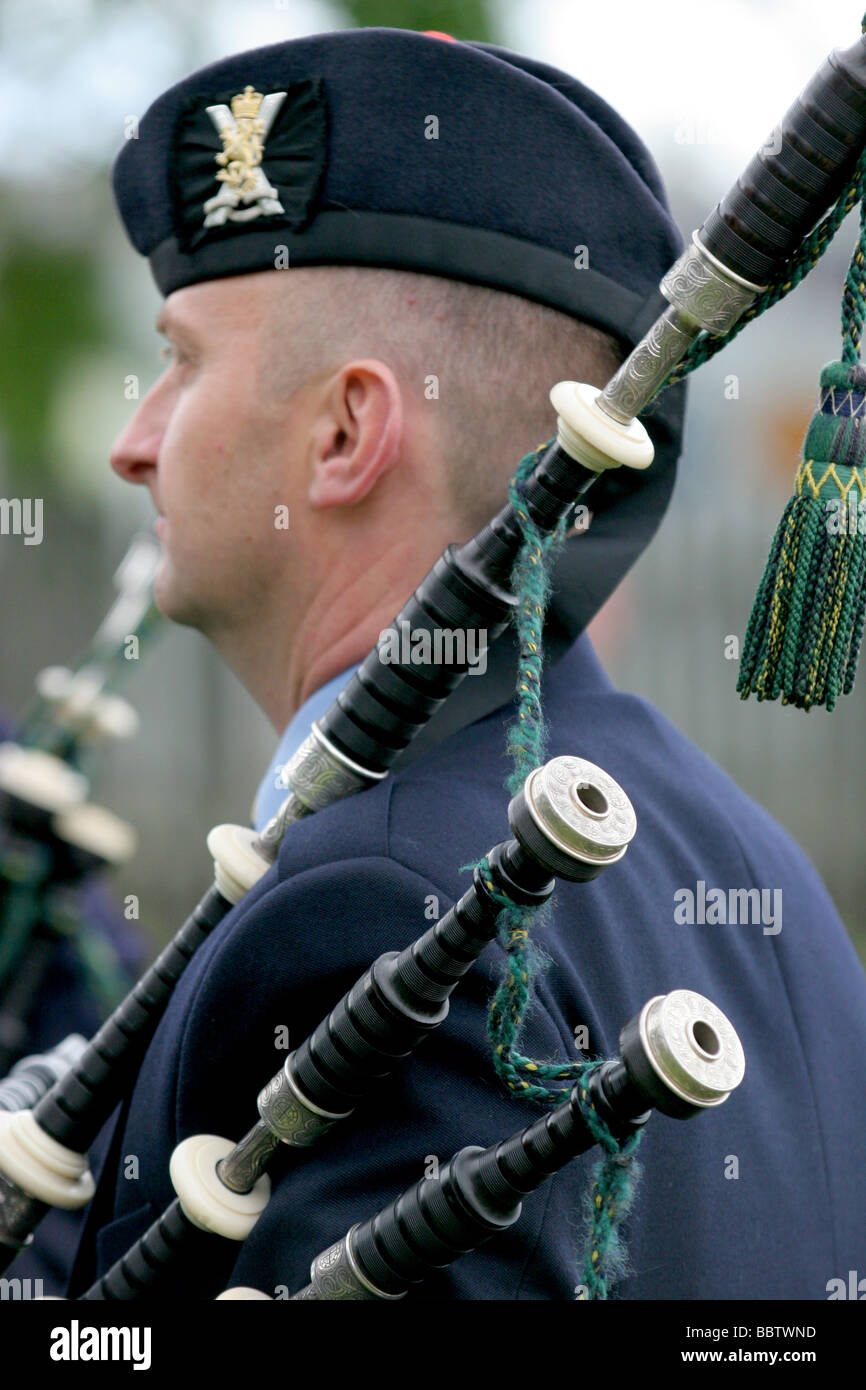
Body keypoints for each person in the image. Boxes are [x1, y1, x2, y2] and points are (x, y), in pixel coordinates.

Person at [66, 28, 866, 1301]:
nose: (134, 441)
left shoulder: (369, 903)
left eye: (179, 361)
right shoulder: (752, 863)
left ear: (345, 431)